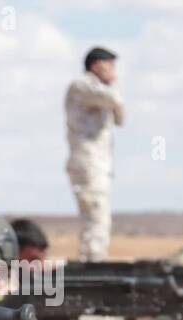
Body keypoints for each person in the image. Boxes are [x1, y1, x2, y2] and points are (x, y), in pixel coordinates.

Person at [65, 46, 124, 262]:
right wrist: (110, 86)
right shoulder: (82, 85)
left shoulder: (98, 89)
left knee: (98, 215)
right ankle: (92, 263)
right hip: (88, 160)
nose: (113, 72)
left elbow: (121, 118)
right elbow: (114, 101)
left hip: (98, 162)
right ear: (96, 65)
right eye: (109, 66)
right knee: (96, 212)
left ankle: (93, 259)